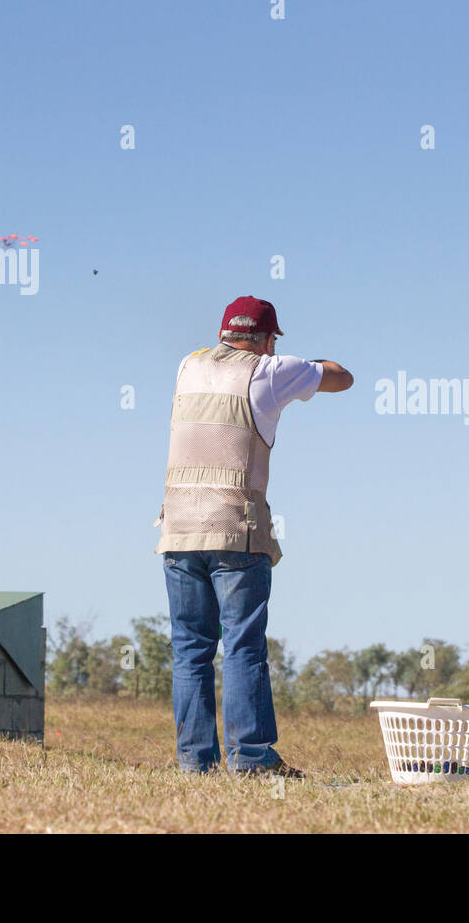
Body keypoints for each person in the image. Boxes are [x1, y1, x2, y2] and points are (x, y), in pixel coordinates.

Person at [154, 296, 352, 775]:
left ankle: (194, 764)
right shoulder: (268, 370)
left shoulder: (188, 366)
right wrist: (303, 361)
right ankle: (254, 760)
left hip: (178, 531)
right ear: (267, 340)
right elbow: (342, 376)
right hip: (234, 531)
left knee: (190, 648)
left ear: (224, 333)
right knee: (243, 645)